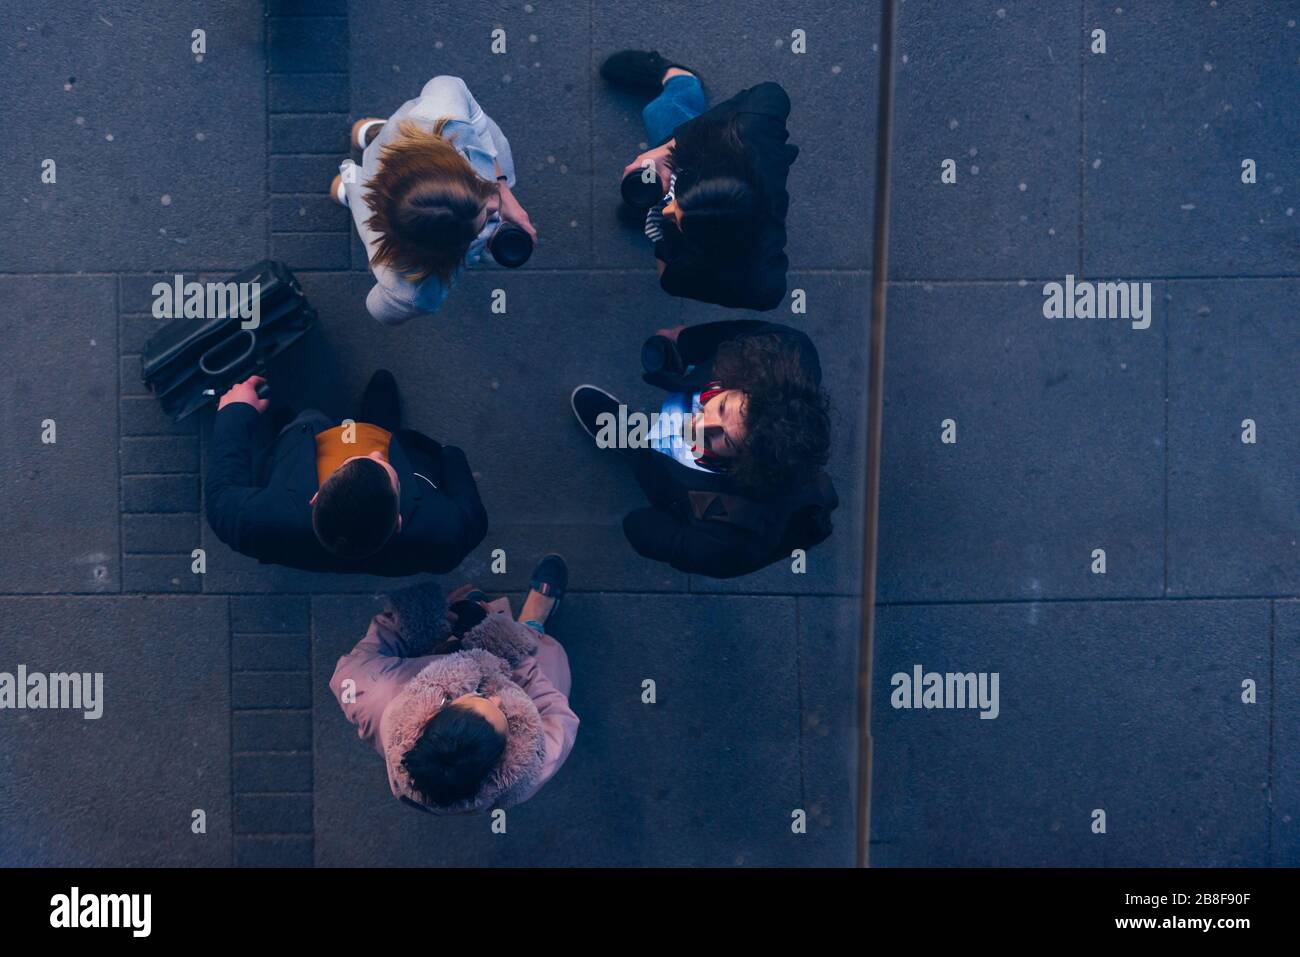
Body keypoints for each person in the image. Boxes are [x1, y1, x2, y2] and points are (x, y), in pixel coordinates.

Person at [570, 320, 837, 578]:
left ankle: (636, 444)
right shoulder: (789, 350)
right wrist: (686, 343)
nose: (699, 424)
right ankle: (638, 441)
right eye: (722, 408)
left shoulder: (733, 538)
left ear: (747, 463)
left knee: (647, 456)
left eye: (726, 440)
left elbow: (647, 531)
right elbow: (741, 332)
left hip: (676, 485)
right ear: (746, 384)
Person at [329, 555, 577, 813]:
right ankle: (532, 622)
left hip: (432, 660)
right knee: (545, 665)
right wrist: (510, 644)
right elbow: (559, 716)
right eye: (505, 715)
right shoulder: (527, 767)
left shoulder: (380, 695)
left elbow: (348, 671)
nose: (498, 699)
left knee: (451, 627)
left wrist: (423, 620)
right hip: (507, 661)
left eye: (476, 698)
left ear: (429, 715)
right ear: (503, 757)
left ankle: (454, 630)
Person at [205, 369, 487, 576]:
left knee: (310, 419)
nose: (374, 453)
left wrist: (236, 410)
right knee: (384, 435)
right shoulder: (449, 532)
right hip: (391, 447)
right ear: (398, 521)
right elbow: (457, 475)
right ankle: (379, 425)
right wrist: (450, 455)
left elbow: (221, 497)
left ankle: (292, 427)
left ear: (317, 497)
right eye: (384, 466)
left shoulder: (257, 523)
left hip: (302, 448)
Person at [330, 75, 538, 325]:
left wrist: (502, 186)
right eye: (482, 222)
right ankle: (356, 176)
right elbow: (377, 310)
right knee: (359, 199)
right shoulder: (414, 293)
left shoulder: (445, 112)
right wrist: (384, 262)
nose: (496, 205)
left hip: (402, 140)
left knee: (383, 145)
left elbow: (452, 85)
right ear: (447, 250)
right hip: (403, 148)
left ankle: (371, 144)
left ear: (451, 163)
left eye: (481, 190)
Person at [601, 50, 797, 311]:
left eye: (676, 220)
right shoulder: (754, 132)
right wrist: (671, 147)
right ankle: (681, 79)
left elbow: (669, 277)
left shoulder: (755, 282)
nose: (666, 209)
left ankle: (682, 85)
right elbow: (772, 93)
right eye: (679, 201)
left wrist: (664, 238)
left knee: (658, 113)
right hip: (703, 151)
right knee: (661, 112)